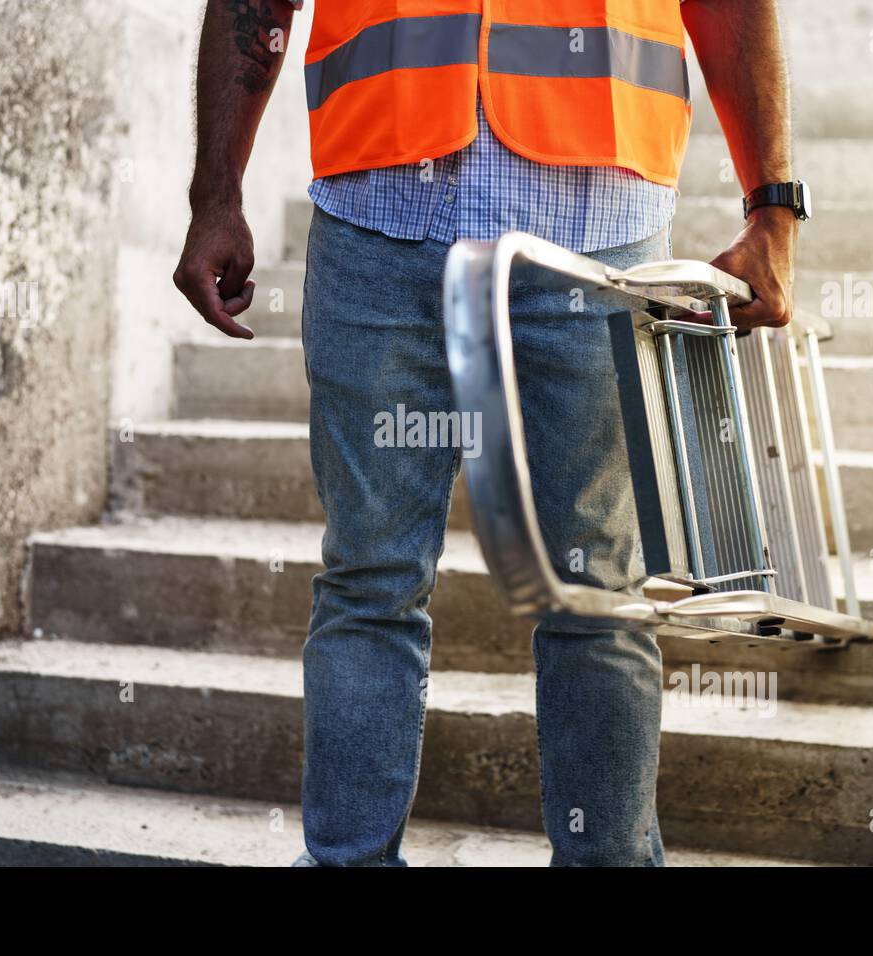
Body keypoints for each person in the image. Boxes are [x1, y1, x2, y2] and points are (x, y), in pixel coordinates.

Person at [174, 0, 802, 866]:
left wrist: (774, 207)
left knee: (598, 595)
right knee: (370, 579)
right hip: (378, 222)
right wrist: (215, 193)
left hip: (600, 231)